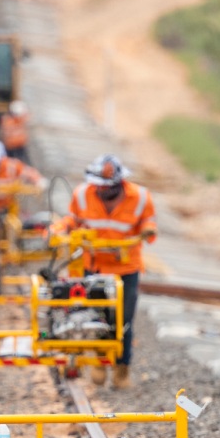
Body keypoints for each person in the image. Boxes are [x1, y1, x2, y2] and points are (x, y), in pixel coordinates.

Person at [63, 154, 156, 388]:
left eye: (107, 187)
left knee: (123, 321)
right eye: (99, 186)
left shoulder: (141, 197)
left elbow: (149, 223)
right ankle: (98, 362)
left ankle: (122, 369)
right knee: (95, 317)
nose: (102, 191)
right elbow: (71, 221)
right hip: (93, 266)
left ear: (119, 183)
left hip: (126, 267)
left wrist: (146, 231)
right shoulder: (82, 195)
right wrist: (57, 230)